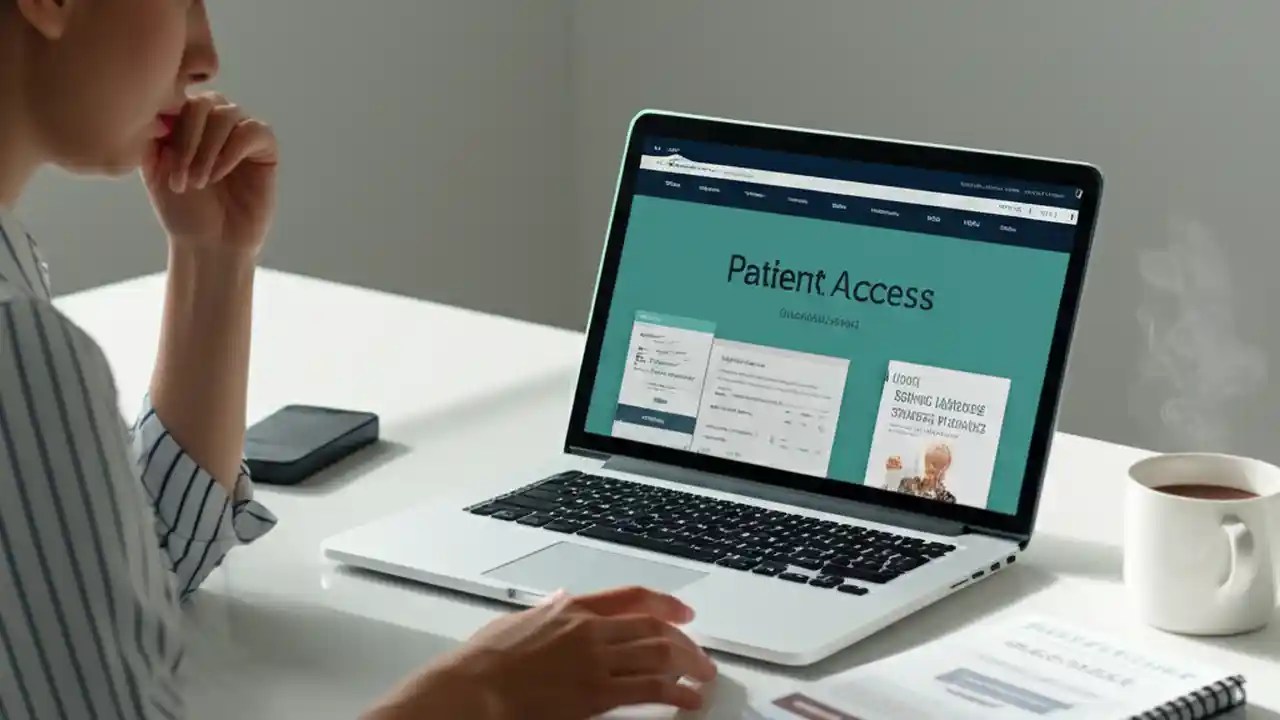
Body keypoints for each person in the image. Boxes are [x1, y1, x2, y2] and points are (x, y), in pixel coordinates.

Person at [0, 1, 714, 718]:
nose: (206, 54)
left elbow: (128, 573)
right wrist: (481, 692)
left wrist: (213, 259)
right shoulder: (18, 352)